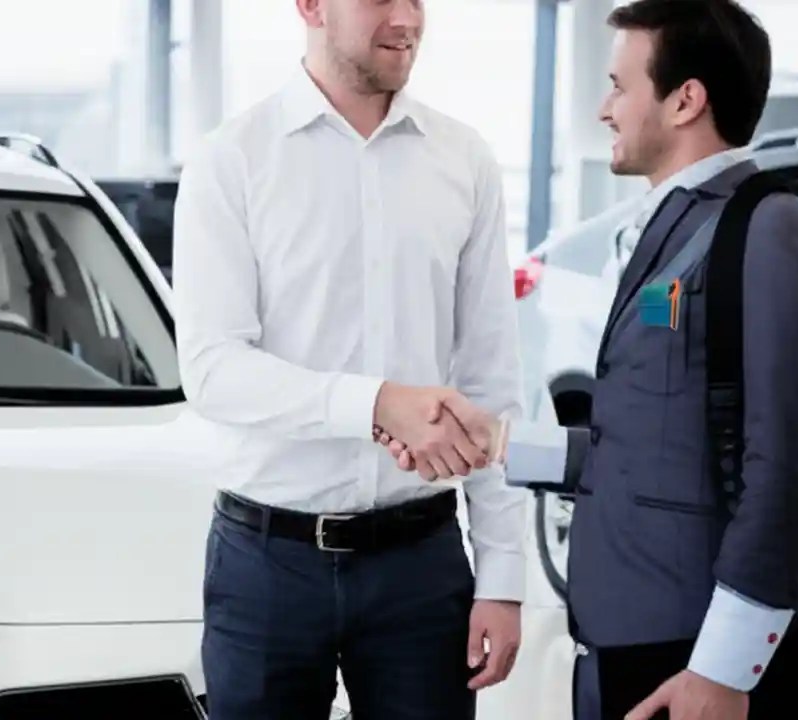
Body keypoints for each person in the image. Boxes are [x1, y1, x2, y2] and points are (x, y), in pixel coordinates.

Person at [380, 1, 798, 718]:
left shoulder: (771, 233)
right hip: (624, 643)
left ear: (686, 99)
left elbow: (786, 471)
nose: (604, 108)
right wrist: (496, 442)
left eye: (620, 85)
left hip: (692, 655)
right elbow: (646, 446)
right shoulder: (674, 226)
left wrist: (724, 671)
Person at [171, 0, 530, 717]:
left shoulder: (464, 159)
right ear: (309, 5)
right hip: (267, 564)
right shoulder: (233, 158)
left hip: (421, 565)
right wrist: (376, 404)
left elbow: (491, 379)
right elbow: (213, 369)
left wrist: (504, 575)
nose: (406, 18)